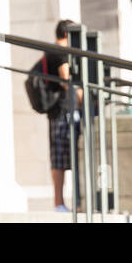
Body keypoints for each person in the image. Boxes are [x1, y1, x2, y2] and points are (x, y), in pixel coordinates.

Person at [45, 18, 84, 213]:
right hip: (63, 110)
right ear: (68, 34)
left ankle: (61, 202)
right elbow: (65, 79)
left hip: (59, 111)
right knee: (63, 159)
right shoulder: (60, 51)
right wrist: (81, 95)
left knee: (61, 158)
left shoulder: (53, 50)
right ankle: (61, 203)